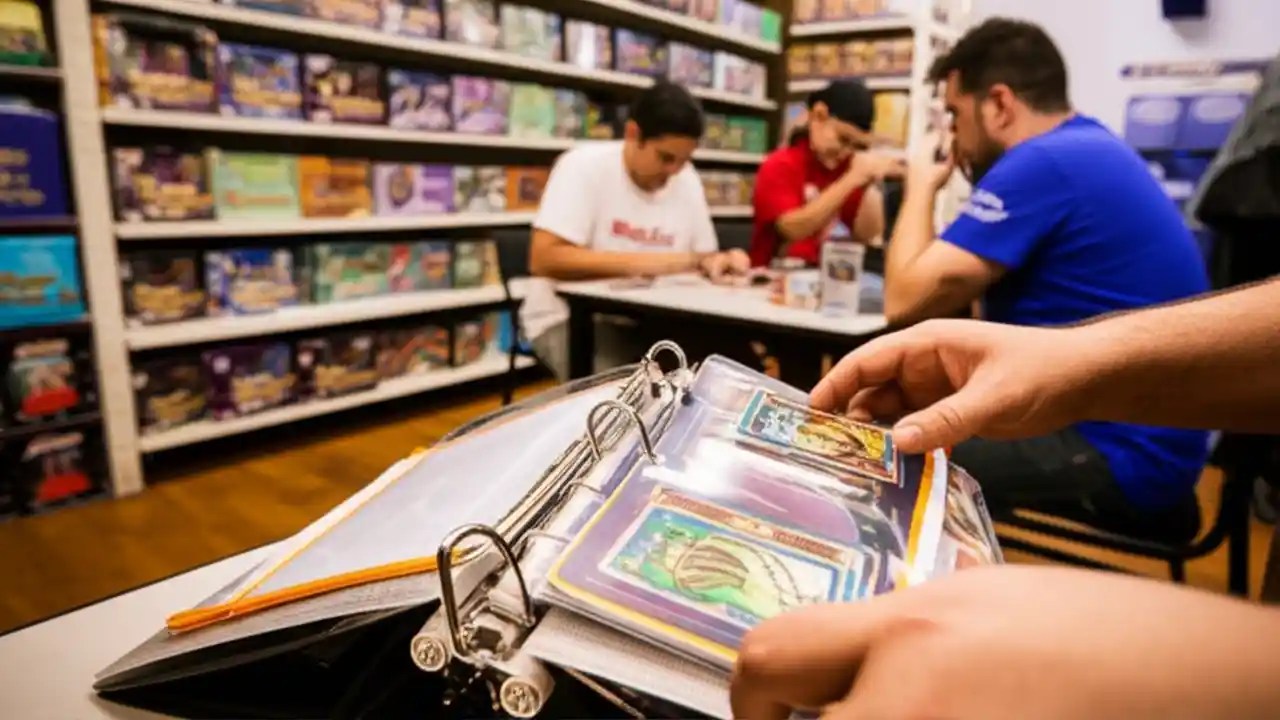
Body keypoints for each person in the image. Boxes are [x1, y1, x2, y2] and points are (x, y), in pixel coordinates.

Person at [731, 279, 1280, 720]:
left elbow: (907, 291)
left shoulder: (1041, 176)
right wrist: (1079, 357)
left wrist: (1191, 675)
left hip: (1132, 473)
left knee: (906, 467)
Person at [883, 18, 1212, 541]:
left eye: (955, 115)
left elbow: (903, 299)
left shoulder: (1043, 162)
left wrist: (921, 182)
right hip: (1147, 440)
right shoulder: (1084, 149)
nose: (953, 138)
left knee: (887, 450)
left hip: (1119, 453)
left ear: (999, 104)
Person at [523, 81, 750, 381]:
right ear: (633, 134)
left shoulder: (686, 178)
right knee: (631, 395)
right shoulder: (582, 166)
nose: (674, 171)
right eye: (665, 157)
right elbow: (544, 259)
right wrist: (668, 263)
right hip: (568, 319)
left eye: (684, 161)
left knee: (736, 369)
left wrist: (720, 262)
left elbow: (703, 256)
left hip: (655, 320)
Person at [749, 79, 904, 268]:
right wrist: (852, 179)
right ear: (818, 116)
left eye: (856, 145)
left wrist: (870, 181)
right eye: (843, 139)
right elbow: (792, 229)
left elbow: (867, 234)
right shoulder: (780, 164)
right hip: (773, 277)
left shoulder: (848, 168)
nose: (846, 152)